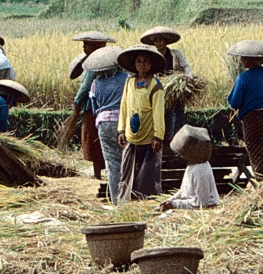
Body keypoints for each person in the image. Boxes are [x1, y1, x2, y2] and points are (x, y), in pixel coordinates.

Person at [117, 44, 167, 200]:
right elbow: (124, 106)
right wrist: (121, 130)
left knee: (147, 175)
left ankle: (146, 203)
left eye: (146, 61)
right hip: (131, 137)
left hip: (149, 137)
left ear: (151, 64)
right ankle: (125, 204)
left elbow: (158, 112)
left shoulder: (155, 86)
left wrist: (158, 136)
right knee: (127, 173)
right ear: (134, 64)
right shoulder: (129, 82)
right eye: (139, 61)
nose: (142, 64)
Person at [226, 40, 263, 177]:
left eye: (244, 58)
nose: (241, 60)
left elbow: (234, 102)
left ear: (252, 60)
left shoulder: (243, 77)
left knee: (256, 151)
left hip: (253, 119)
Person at [82, 46, 128, 202]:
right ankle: (128, 197)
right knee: (126, 160)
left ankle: (116, 200)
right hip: (123, 123)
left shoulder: (95, 83)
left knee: (111, 162)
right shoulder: (126, 78)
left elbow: (94, 107)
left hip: (103, 123)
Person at [69, 31, 116, 178]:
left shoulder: (92, 63)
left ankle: (97, 174)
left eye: (86, 45)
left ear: (94, 46)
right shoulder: (112, 61)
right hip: (110, 103)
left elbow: (85, 86)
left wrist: (77, 101)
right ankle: (109, 171)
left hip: (92, 106)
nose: (84, 48)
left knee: (93, 140)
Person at [142, 26, 193, 141]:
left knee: (179, 111)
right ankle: (166, 139)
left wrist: (189, 77)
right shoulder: (152, 56)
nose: (159, 43)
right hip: (160, 88)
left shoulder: (175, 54)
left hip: (176, 88)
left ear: (165, 41)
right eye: (156, 41)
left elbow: (186, 66)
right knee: (164, 113)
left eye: (161, 40)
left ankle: (180, 139)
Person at [160, 125, 220, 211]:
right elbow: (183, 192)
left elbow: (202, 203)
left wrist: (175, 204)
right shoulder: (191, 164)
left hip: (204, 210)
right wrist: (170, 200)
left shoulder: (200, 170)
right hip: (190, 205)